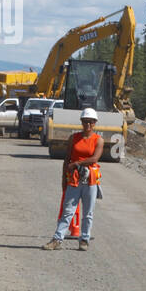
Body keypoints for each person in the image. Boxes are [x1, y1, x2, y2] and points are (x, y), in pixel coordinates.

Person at [42, 107, 103, 251]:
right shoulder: (74, 138)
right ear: (82, 122)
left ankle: (84, 240)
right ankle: (57, 239)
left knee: (88, 213)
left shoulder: (98, 140)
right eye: (85, 121)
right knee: (68, 211)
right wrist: (64, 178)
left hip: (90, 180)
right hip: (74, 179)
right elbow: (67, 158)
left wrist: (78, 163)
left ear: (94, 123)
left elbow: (95, 158)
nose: (88, 124)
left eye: (91, 122)